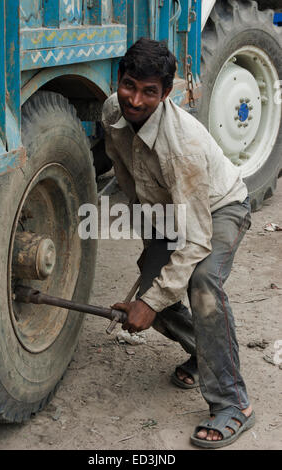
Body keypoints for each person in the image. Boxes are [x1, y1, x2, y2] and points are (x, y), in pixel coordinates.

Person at [101, 37, 255, 449]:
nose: (134, 99)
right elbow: (125, 169)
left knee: (201, 283)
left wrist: (150, 301)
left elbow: (198, 236)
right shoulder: (112, 110)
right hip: (171, 211)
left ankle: (232, 403)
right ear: (119, 79)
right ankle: (207, 358)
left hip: (221, 208)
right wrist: (153, 279)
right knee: (155, 290)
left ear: (167, 94)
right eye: (129, 85)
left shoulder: (180, 147)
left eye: (149, 92)